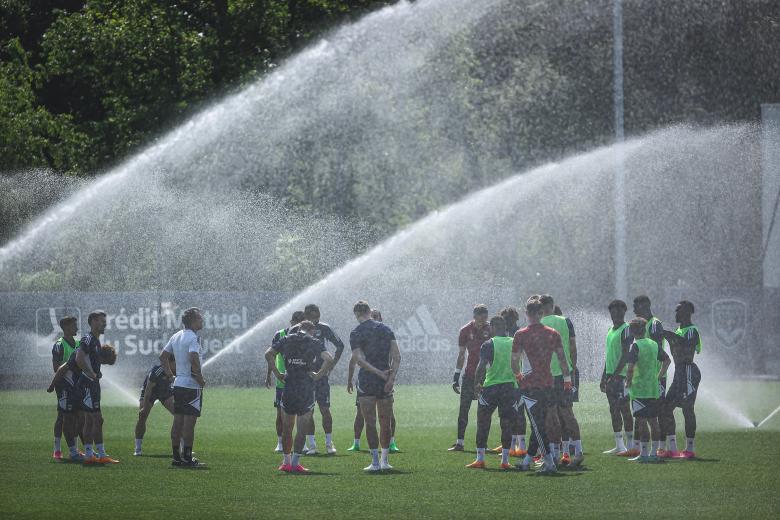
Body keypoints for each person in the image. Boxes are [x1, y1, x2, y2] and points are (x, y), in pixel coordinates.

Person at [265, 320, 334, 473]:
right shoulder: (314, 341)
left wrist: (277, 373)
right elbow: (329, 359)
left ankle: (286, 462)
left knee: (287, 428)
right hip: (306, 389)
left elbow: (268, 354)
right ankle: (296, 463)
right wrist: (318, 375)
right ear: (311, 330)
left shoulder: (286, 339)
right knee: (302, 429)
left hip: (289, 387)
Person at [513, 297, 571, 474]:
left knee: (538, 425)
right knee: (541, 423)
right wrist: (567, 380)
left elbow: (514, 362)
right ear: (541, 313)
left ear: (526, 314)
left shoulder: (521, 334)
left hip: (530, 385)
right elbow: (562, 359)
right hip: (549, 383)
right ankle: (527, 461)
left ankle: (549, 463)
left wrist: (518, 376)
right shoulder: (553, 333)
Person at [350, 300, 401, 472]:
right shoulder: (385, 329)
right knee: (385, 422)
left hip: (367, 382)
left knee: (370, 422)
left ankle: (375, 462)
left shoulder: (356, 332)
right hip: (385, 381)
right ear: (369, 312)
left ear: (357, 314)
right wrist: (391, 378)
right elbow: (397, 356)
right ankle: (385, 460)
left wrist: (378, 373)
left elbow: (359, 360)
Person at [466, 315, 521, 470]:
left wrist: (477, 383)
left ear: (492, 328)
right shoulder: (514, 342)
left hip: (491, 387)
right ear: (505, 327)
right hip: (510, 387)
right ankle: (504, 461)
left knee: (483, 422)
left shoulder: (489, 344)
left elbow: (481, 365)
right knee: (507, 423)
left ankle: (480, 459)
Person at [539, 295, 583, 467]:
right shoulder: (566, 321)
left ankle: (555, 455)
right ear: (553, 305)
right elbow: (573, 346)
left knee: (551, 415)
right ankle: (578, 452)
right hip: (565, 373)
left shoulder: (539, 325)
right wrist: (572, 368)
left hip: (547, 375)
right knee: (567, 413)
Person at [160, 307, 205, 467]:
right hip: (191, 386)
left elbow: (163, 356)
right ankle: (187, 458)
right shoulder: (193, 337)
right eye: (199, 318)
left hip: (178, 383)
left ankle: (176, 458)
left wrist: (171, 375)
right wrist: (200, 378)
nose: (202, 320)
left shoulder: (176, 336)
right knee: (189, 422)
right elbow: (193, 357)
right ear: (192, 321)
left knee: (178, 420)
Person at [75, 310, 120, 465]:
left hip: (92, 384)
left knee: (91, 420)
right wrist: (91, 374)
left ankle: (92, 455)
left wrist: (97, 371)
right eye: (102, 321)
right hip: (87, 384)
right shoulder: (88, 339)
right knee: (96, 419)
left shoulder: (95, 341)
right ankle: (97, 454)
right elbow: (79, 358)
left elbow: (90, 360)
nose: (105, 324)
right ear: (93, 321)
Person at [659, 300, 702, 459]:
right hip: (678, 373)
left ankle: (689, 450)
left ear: (687, 312)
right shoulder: (678, 330)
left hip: (689, 371)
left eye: (678, 310)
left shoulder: (692, 330)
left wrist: (668, 334)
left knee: (687, 409)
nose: (675, 313)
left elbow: (687, 350)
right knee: (665, 408)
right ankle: (672, 448)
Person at [625, 318, 671, 463]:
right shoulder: (654, 344)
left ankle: (644, 454)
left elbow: (631, 368)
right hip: (653, 390)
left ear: (632, 332)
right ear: (644, 330)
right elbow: (667, 360)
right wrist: (658, 376)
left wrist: (627, 382)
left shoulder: (635, 346)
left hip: (639, 390)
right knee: (653, 422)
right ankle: (654, 453)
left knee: (641, 421)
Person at [303, 304, 345, 455]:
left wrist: (331, 366)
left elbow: (340, 345)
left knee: (325, 409)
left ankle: (329, 443)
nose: (315, 321)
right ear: (306, 317)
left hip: (321, 377)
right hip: (305, 378)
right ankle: (312, 445)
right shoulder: (298, 331)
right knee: (308, 411)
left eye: (317, 317)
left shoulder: (325, 328)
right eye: (312, 318)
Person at [449, 304, 492, 451]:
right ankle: (460, 442)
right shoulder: (465, 330)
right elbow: (461, 354)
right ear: (474, 316)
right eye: (480, 317)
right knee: (464, 409)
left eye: (485, 317)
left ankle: (482, 444)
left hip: (487, 377)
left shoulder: (491, 329)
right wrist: (456, 375)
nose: (483, 320)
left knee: (484, 411)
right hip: (469, 375)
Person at [600, 300, 637, 455]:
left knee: (624, 410)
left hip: (621, 378)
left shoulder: (626, 329)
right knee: (613, 410)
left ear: (624, 311)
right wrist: (604, 376)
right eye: (612, 311)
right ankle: (619, 445)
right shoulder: (610, 330)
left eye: (618, 310)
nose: (615, 313)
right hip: (611, 376)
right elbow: (609, 356)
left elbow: (625, 355)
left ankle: (630, 445)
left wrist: (615, 376)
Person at [632, 295, 669, 452]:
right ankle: (638, 447)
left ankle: (660, 447)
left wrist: (657, 376)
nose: (634, 310)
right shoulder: (642, 325)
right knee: (640, 414)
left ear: (645, 305)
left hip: (655, 377)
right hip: (642, 378)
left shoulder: (654, 324)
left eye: (636, 306)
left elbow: (659, 352)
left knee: (657, 413)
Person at [265, 310, 305, 453]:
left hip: (301, 383)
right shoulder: (280, 335)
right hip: (283, 382)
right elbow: (270, 355)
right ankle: (280, 442)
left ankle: (302, 444)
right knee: (280, 415)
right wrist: (271, 373)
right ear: (292, 322)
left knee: (302, 414)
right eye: (297, 323)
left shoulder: (305, 338)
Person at [496, 307, 526, 456]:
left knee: (519, 412)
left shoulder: (519, 333)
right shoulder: (505, 333)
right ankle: (510, 444)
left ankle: (521, 445)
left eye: (507, 319)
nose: (505, 322)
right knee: (509, 412)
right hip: (506, 378)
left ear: (514, 319)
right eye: (504, 319)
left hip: (518, 378)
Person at [50, 316, 80, 460]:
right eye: (74, 325)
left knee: (76, 417)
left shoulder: (79, 343)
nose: (77, 328)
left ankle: (75, 448)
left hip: (77, 385)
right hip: (63, 385)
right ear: (66, 327)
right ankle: (57, 449)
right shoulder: (59, 344)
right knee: (62, 417)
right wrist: (71, 369)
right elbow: (56, 368)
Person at [133, 360, 176, 456]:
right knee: (142, 415)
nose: (177, 365)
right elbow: (148, 389)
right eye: (175, 363)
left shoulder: (177, 369)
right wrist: (144, 406)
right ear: (170, 363)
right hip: (150, 392)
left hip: (165, 391)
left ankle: (182, 447)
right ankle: (138, 448)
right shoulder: (157, 370)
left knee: (179, 415)